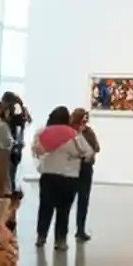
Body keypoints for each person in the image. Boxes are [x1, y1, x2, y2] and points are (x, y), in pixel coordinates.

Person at [33, 107, 89, 251]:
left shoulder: (42, 132)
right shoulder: (73, 134)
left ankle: (41, 236)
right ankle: (60, 240)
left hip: (47, 175)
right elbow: (85, 152)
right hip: (68, 177)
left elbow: (36, 150)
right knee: (63, 210)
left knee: (45, 207)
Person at [69, 108, 101, 242]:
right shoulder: (69, 132)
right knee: (67, 201)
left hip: (85, 168)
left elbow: (97, 148)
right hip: (72, 168)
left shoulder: (88, 132)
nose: (85, 121)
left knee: (83, 199)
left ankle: (80, 229)